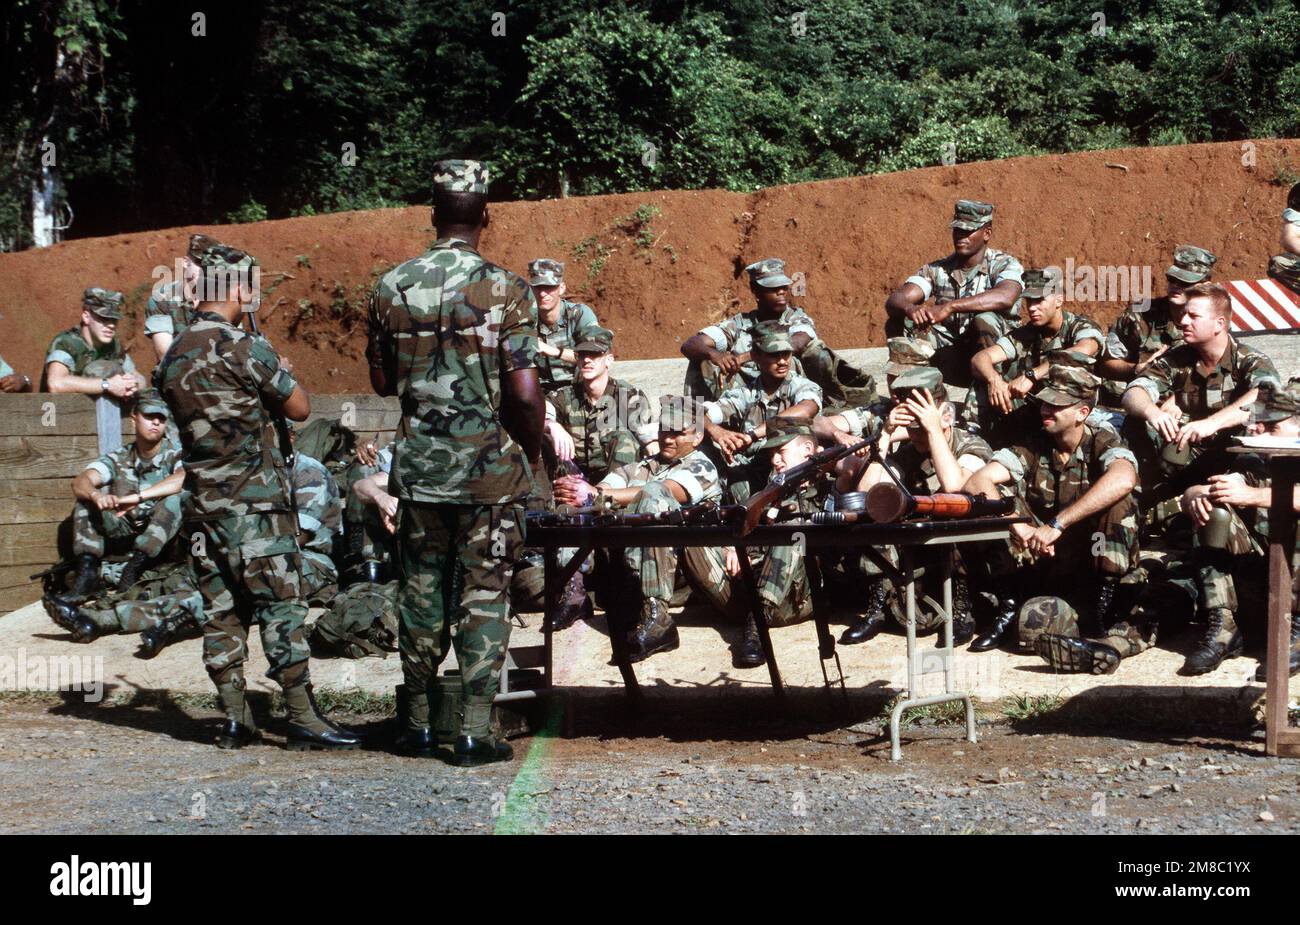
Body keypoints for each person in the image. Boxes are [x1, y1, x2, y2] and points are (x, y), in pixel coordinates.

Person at [367, 158, 545, 767]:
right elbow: (524, 394)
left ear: (434, 213)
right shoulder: (508, 289)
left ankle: (415, 722)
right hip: (489, 474)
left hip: (419, 472)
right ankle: (472, 729)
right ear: (486, 216)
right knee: (485, 595)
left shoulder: (391, 287)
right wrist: (534, 449)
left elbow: (383, 379)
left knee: (419, 591)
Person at [156, 242, 359, 751]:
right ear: (241, 290)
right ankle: (302, 718)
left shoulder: (176, 349)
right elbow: (300, 409)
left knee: (221, 613)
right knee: (280, 607)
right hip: (256, 508)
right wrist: (274, 370)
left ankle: (233, 719)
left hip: (203, 507)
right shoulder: (245, 347)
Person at [963, 366, 1142, 660]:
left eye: (1057, 405)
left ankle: (1103, 608)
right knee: (996, 500)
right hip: (1042, 553)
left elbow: (1124, 478)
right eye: (1045, 402)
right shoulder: (1034, 444)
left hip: (1091, 550)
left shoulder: (1103, 441)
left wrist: (1058, 523)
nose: (1046, 409)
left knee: (1118, 504)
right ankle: (1008, 605)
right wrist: (1015, 525)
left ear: (1082, 412)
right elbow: (977, 480)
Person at [553, 398, 741, 664]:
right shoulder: (643, 466)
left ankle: (657, 616)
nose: (668, 438)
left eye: (678, 433)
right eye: (664, 430)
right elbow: (605, 489)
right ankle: (575, 594)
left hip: (684, 569)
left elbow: (670, 491)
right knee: (577, 505)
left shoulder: (702, 466)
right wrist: (579, 493)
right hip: (634, 563)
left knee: (653, 493)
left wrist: (598, 495)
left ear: (697, 437)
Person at [836, 367, 991, 645]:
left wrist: (933, 430)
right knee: (876, 512)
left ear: (947, 416)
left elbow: (955, 487)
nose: (915, 435)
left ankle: (962, 609)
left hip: (964, 556)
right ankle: (880, 603)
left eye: (920, 427)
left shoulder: (971, 445)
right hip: (921, 553)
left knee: (956, 511)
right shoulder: (908, 453)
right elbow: (867, 493)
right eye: (911, 428)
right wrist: (885, 434)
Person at [1121, 283, 1281, 529]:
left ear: (1219, 324)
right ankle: (1144, 502)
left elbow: (1266, 395)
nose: (1183, 321)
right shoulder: (1178, 358)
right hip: (1184, 456)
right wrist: (1152, 412)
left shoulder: (1249, 360)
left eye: (1193, 316)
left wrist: (1212, 423)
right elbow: (1134, 392)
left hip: (1233, 462)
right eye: (1184, 314)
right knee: (1135, 422)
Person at [1169, 380, 1300, 676]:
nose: (1256, 430)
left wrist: (1254, 497)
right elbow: (1220, 487)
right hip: (1266, 583)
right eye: (1256, 422)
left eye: (1270, 426)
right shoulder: (1257, 460)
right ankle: (1225, 625)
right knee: (1213, 510)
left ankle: (1298, 630)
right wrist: (1196, 495)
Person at [884, 199, 1024, 386]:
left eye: (968, 231)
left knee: (986, 319)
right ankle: (910, 391)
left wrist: (949, 307)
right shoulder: (938, 269)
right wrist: (911, 309)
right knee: (903, 320)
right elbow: (897, 299)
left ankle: (992, 394)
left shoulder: (1003, 264)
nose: (960, 236)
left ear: (986, 233)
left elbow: (1006, 296)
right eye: (957, 230)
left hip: (998, 359)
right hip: (955, 358)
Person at [966, 268, 1104, 442]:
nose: (1032, 308)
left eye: (1039, 300)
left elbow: (1083, 350)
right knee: (985, 378)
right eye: (1029, 301)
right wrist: (995, 381)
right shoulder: (1026, 333)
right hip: (1036, 406)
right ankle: (972, 439)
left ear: (1059, 300)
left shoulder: (1079, 327)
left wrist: (1032, 375)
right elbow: (981, 358)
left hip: (1070, 408)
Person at [702, 322, 822, 502]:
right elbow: (693, 412)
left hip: (790, 467)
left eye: (786, 353)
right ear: (756, 356)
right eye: (774, 355)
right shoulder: (744, 394)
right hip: (755, 469)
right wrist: (716, 431)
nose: (782, 361)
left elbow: (806, 409)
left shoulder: (802, 386)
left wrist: (752, 435)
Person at [680, 258, 818, 401]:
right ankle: (698, 417)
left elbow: (798, 342)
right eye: (773, 288)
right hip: (746, 393)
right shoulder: (739, 323)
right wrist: (715, 355)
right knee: (702, 358)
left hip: (786, 394)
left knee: (812, 350)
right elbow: (690, 344)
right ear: (756, 291)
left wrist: (744, 357)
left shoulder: (797, 319)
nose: (781, 292)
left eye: (784, 286)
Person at [1096, 245, 1215, 409]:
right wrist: (1136, 369)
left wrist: (1180, 399)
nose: (1175, 285)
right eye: (1172, 279)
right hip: (1136, 403)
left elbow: (1219, 374)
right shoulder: (1140, 312)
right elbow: (1106, 364)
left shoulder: (1212, 321)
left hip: (1186, 407)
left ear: (1205, 286)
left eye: (1185, 282)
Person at [545, 325, 656, 483]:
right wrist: (552, 425)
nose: (587, 360)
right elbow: (539, 409)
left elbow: (651, 445)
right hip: (575, 478)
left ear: (609, 360)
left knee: (623, 437)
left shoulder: (628, 396)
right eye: (582, 355)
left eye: (595, 354)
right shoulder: (565, 396)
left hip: (618, 484)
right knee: (543, 436)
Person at [42, 288, 144, 397]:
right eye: (104, 318)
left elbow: (141, 379)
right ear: (86, 317)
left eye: (114, 320)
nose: (111, 325)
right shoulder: (67, 343)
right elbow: (56, 384)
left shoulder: (114, 345)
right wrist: (108, 384)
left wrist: (133, 384)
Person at [146, 233, 222, 360]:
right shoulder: (162, 298)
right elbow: (164, 354)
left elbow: (232, 345)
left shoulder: (222, 299)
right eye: (201, 264)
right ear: (186, 263)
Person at [529, 258, 599, 393]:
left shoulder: (579, 314)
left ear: (561, 288)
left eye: (549, 287)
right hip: (541, 393)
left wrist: (552, 351)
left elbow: (594, 355)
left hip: (578, 390)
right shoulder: (524, 320)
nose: (543, 293)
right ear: (531, 289)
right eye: (538, 287)